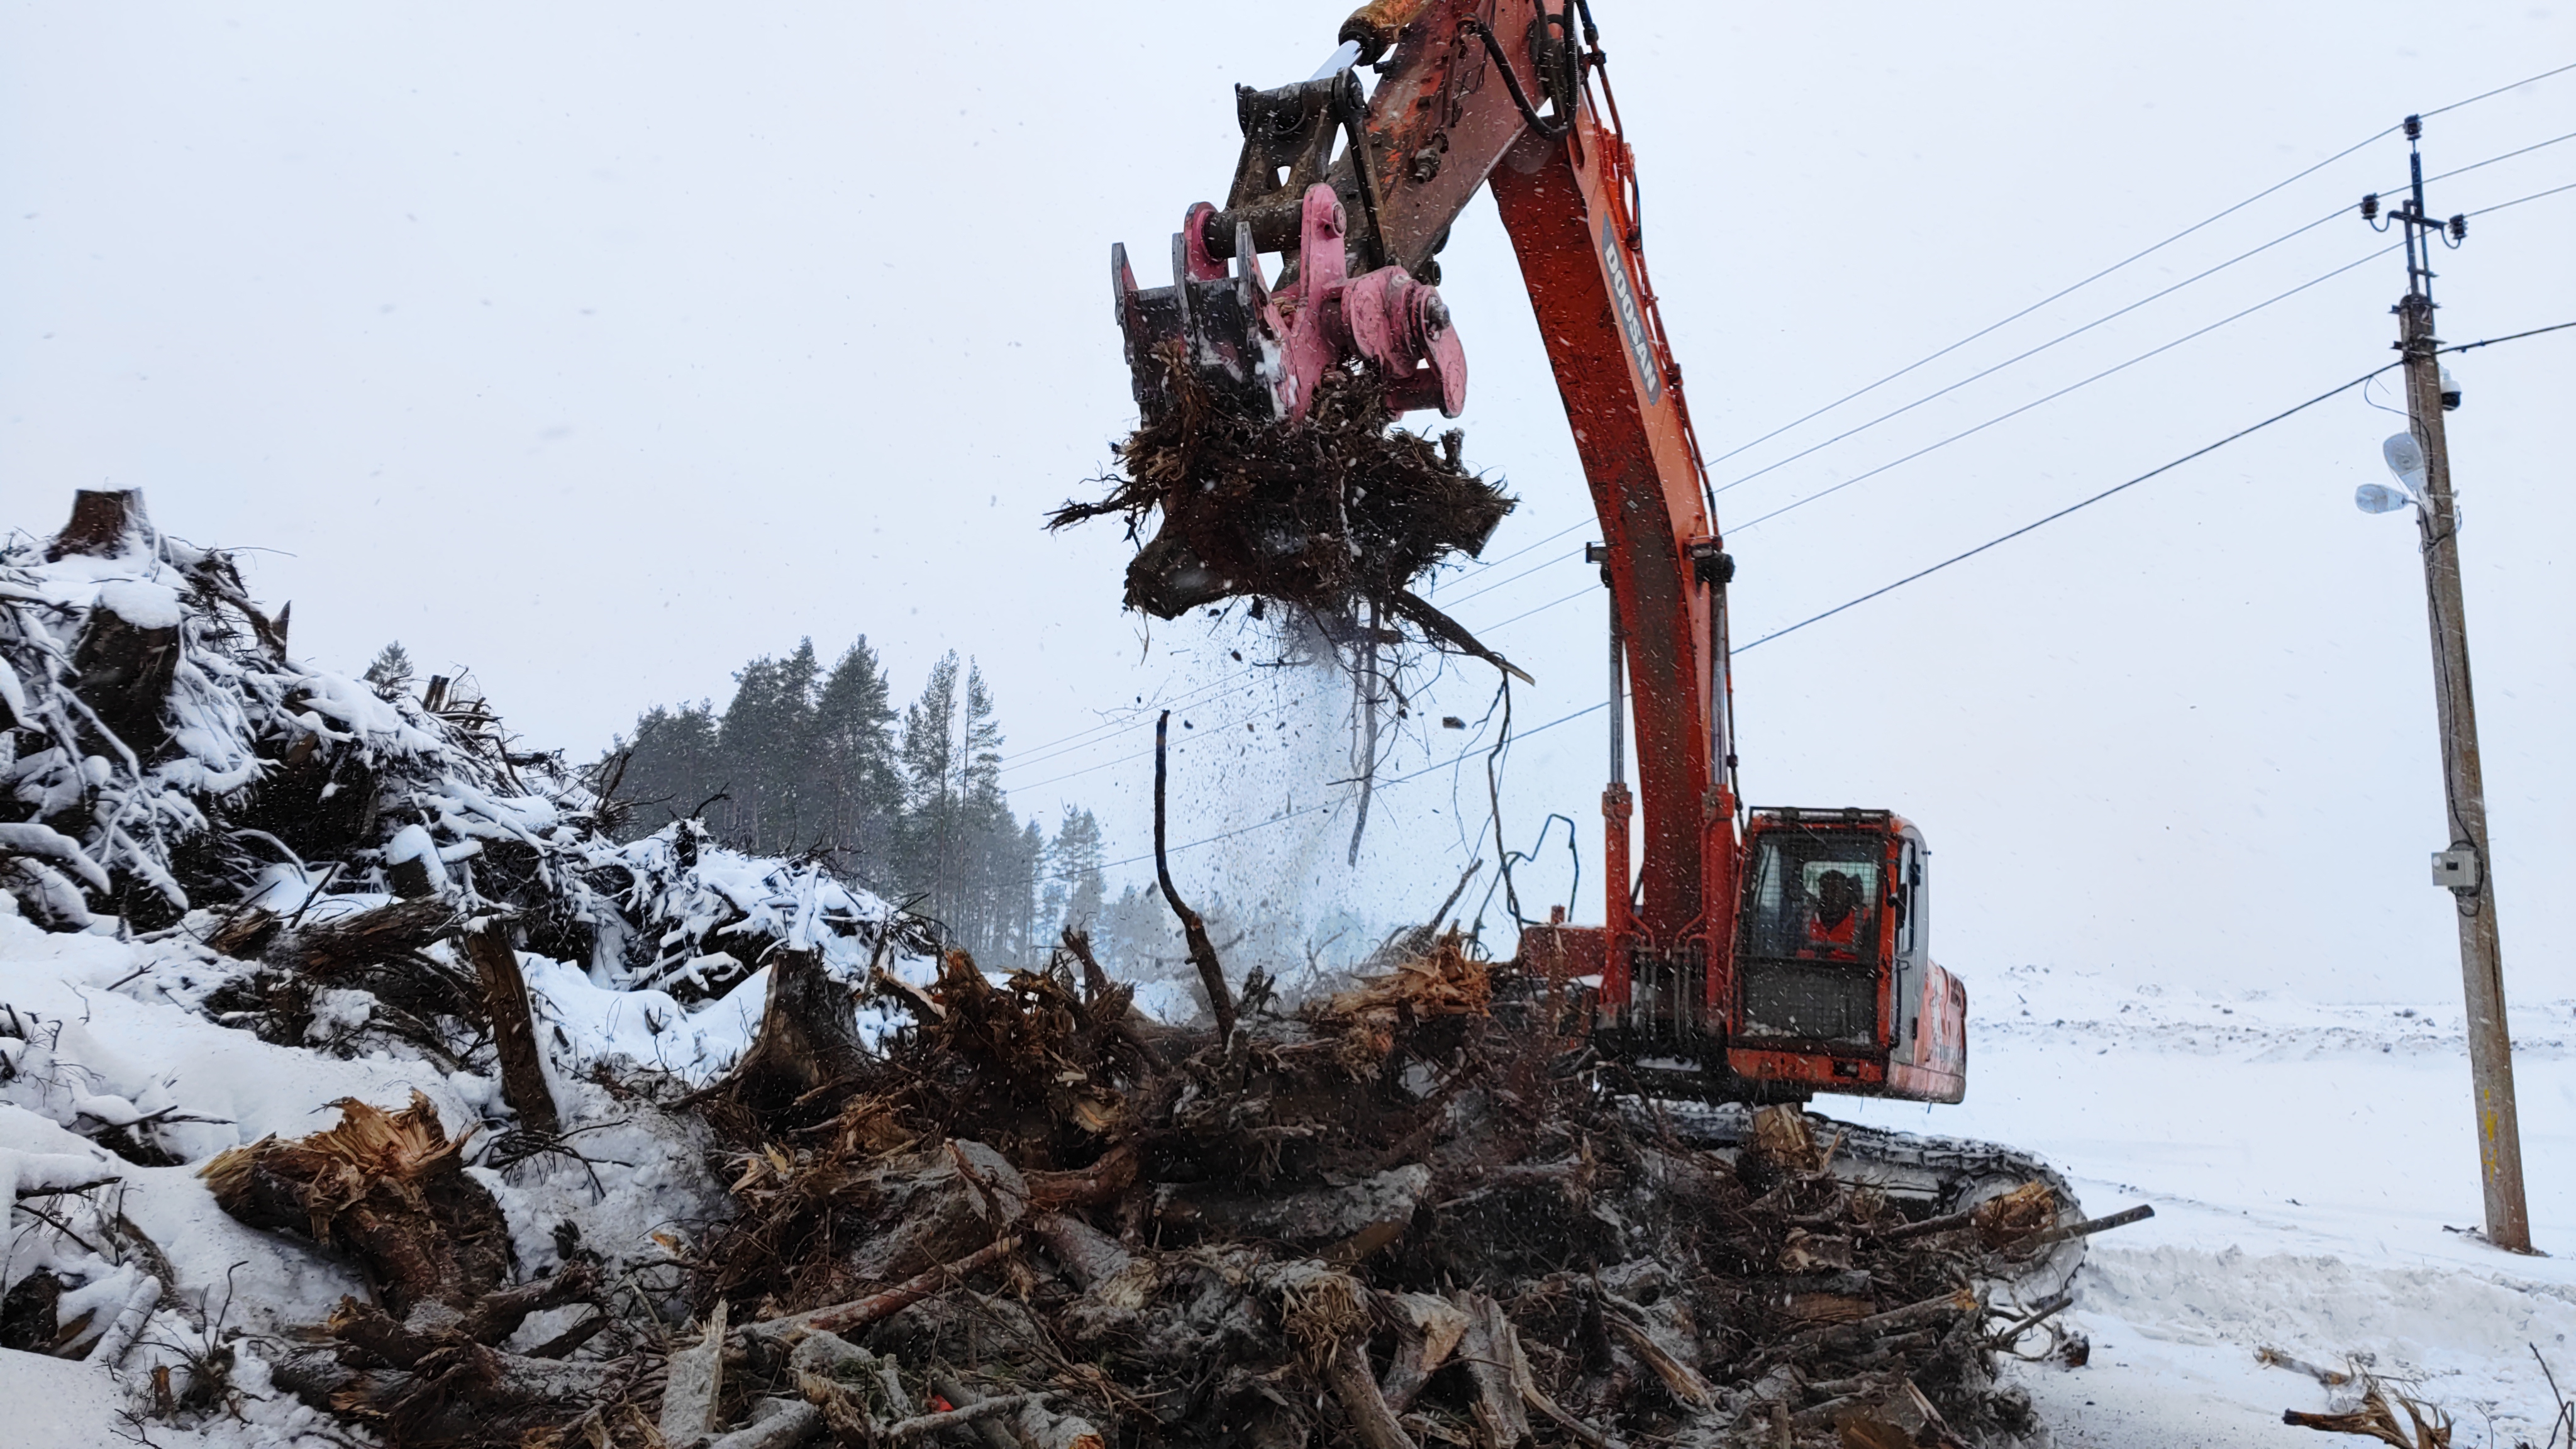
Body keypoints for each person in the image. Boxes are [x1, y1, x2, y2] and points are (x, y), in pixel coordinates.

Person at [1806, 869, 1865, 951]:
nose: (1828, 894)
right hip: (1805, 963)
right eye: (1824, 889)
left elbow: (1866, 954)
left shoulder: (1862, 917)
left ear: (1845, 892)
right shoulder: (1808, 914)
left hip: (1847, 963)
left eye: (1834, 889)